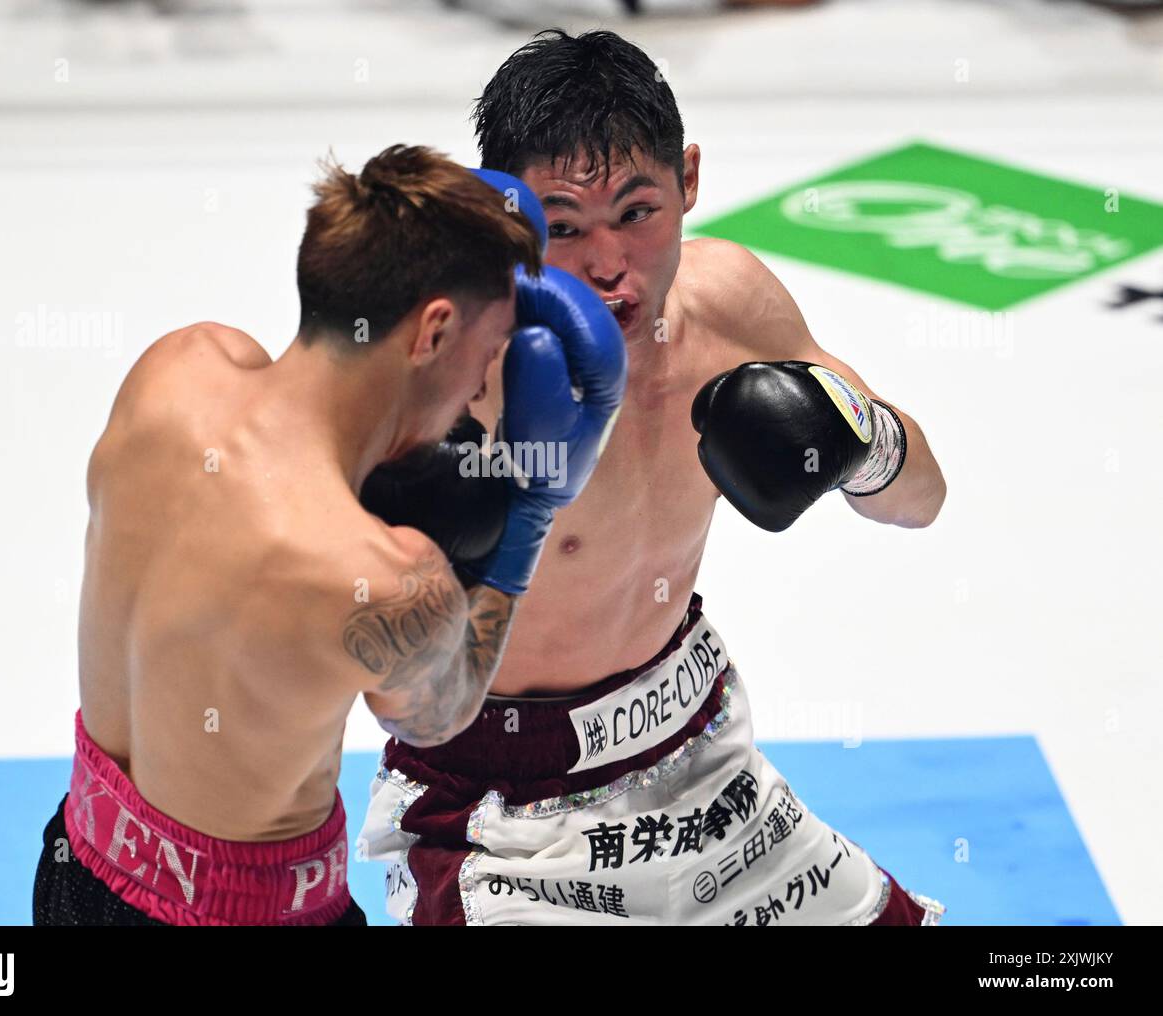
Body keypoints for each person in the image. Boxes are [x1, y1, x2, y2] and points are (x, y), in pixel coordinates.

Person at [358, 31, 947, 926]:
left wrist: (857, 437)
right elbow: (396, 697)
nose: (607, 262)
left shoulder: (730, 304)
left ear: (690, 181)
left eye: (638, 211)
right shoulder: (450, 379)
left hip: (706, 766)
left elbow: (923, 500)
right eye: (562, 227)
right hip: (503, 821)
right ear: (505, 217)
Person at [32, 143, 626, 926]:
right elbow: (437, 715)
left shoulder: (175, 368)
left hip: (78, 864)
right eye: (488, 353)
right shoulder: (379, 575)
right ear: (433, 331)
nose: (484, 386)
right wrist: (531, 515)